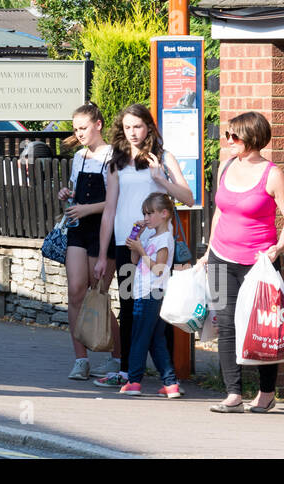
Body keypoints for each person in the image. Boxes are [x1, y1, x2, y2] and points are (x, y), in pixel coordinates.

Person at [198, 111, 284, 414]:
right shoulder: (226, 167)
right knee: (226, 325)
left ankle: (266, 393)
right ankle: (233, 394)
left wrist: (279, 247)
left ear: (252, 139)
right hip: (220, 257)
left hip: (259, 263)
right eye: (227, 135)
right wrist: (207, 251)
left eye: (234, 136)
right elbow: (220, 212)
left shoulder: (273, 175)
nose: (228, 141)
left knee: (264, 326)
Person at [92, 104, 194, 387]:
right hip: (129, 246)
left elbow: (188, 197)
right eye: (127, 127)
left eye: (137, 126)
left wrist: (160, 179)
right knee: (129, 307)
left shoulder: (163, 157)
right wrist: (103, 254)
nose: (132, 132)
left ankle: (168, 377)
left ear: (148, 126)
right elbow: (110, 209)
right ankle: (128, 372)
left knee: (161, 308)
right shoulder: (116, 162)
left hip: (159, 247)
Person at [55, 104, 114, 380]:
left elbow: (116, 201)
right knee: (76, 290)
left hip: (103, 228)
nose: (79, 133)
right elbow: (77, 192)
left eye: (83, 128)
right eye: (75, 129)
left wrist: (88, 208)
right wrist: (67, 193)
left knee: (98, 294)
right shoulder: (78, 157)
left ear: (98, 125)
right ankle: (81, 359)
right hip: (78, 227)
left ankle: (117, 358)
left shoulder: (113, 156)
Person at [120, 192, 182, 398]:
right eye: (144, 214)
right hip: (145, 292)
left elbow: (158, 269)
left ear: (164, 214)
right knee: (156, 340)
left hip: (151, 293)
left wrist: (143, 251)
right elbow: (133, 258)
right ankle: (170, 383)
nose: (146, 218)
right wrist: (136, 239)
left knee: (139, 337)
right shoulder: (151, 236)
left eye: (150, 214)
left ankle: (134, 381)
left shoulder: (165, 239)